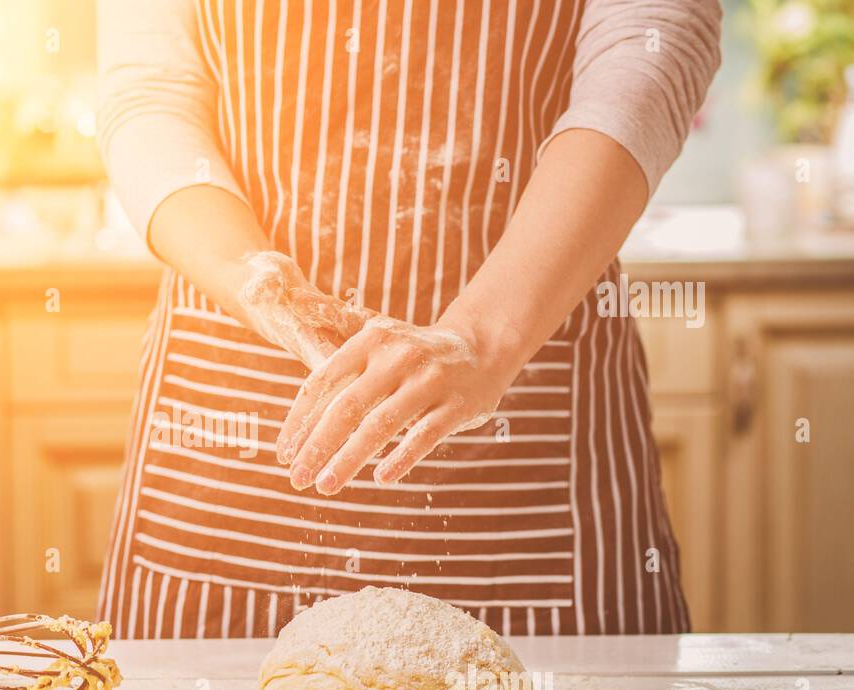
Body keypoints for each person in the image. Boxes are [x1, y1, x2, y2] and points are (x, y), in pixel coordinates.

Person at [96, 0, 721, 638]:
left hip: (524, 457)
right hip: (223, 456)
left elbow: (647, 53)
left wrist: (480, 336)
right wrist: (251, 278)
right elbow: (151, 94)